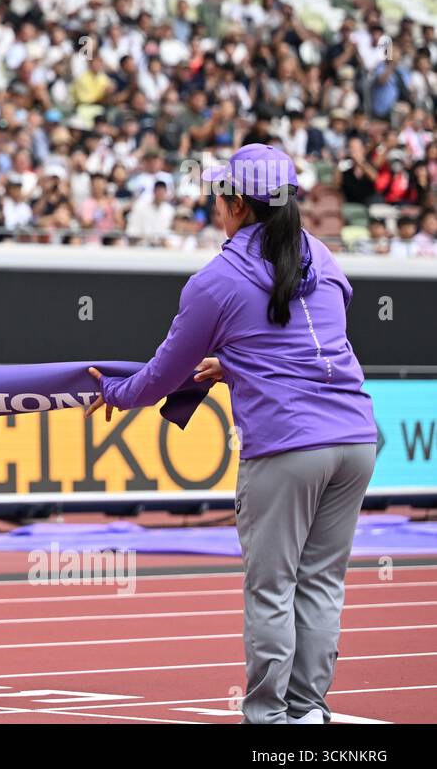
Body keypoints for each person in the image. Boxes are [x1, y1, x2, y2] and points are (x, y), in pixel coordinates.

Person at [84, 144, 377, 724]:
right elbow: (313, 333)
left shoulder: (216, 280)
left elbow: (164, 374)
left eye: (219, 196)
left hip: (288, 445)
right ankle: (307, 712)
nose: (215, 206)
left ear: (236, 205)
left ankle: (267, 719)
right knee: (320, 584)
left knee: (272, 588)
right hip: (357, 438)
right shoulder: (323, 255)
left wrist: (113, 393)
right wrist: (237, 362)